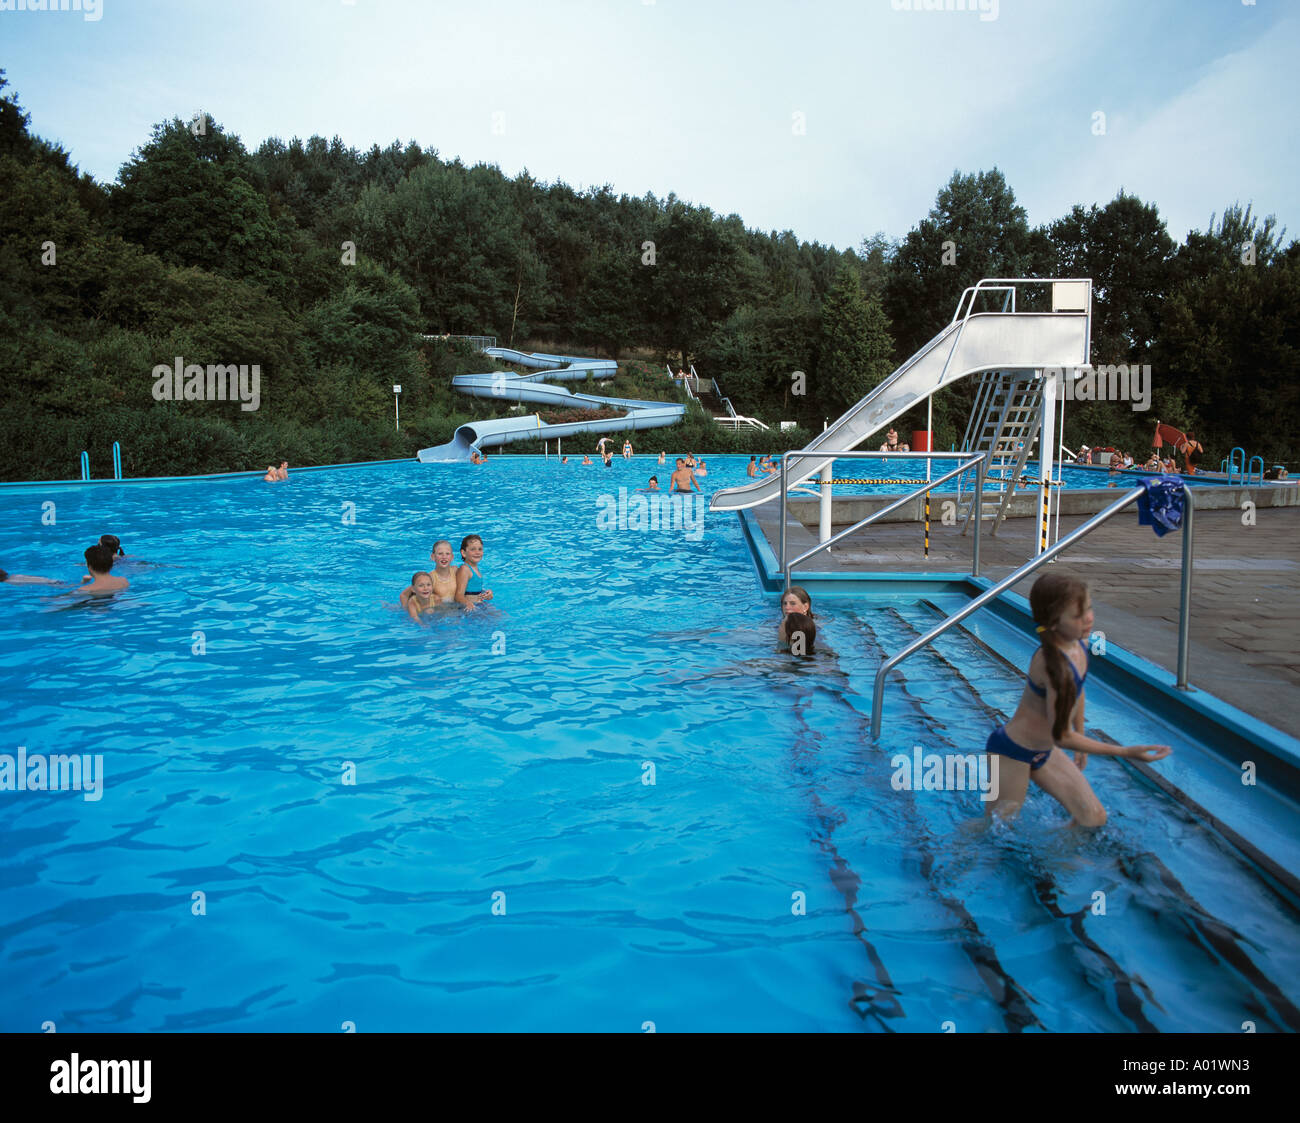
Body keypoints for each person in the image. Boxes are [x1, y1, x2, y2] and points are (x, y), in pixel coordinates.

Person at [984, 573, 1171, 825]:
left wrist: (1080, 729)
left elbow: (1078, 689)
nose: (1089, 618)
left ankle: (1058, 861)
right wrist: (1126, 751)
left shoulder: (1079, 644)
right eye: (1077, 615)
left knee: (1093, 818)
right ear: (1053, 622)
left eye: (1089, 608)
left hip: (1045, 751)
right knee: (996, 828)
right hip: (1012, 752)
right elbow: (1063, 736)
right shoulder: (1056, 668)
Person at [400, 541, 458, 607]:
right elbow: (404, 595)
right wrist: (407, 611)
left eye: (447, 554)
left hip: (454, 609)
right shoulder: (430, 578)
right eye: (440, 553)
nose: (444, 557)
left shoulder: (456, 571)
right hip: (439, 612)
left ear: (452, 557)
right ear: (433, 557)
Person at [455, 534, 493, 611]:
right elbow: (458, 595)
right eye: (473, 549)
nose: (477, 552)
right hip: (469, 607)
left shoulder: (476, 569)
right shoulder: (465, 569)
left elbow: (473, 589)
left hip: (479, 604)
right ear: (464, 553)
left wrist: (486, 593)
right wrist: (467, 603)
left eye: (480, 549)